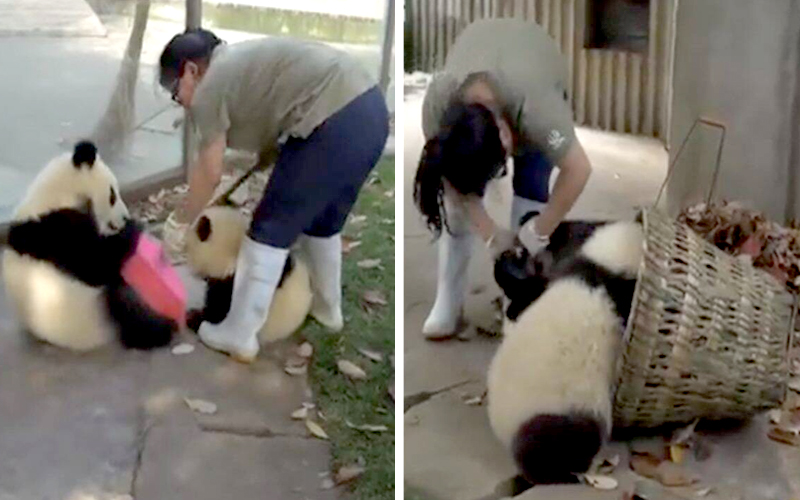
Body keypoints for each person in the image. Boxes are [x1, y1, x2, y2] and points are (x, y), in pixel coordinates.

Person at [158, 28, 389, 362]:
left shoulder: (211, 87)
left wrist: (180, 222)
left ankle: (238, 333)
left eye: (174, 90)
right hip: (370, 111)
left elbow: (209, 172)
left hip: (333, 117)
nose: (179, 101)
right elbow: (272, 129)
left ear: (191, 70)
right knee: (321, 224)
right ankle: (327, 310)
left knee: (269, 228)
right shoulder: (241, 63)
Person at [413, 18, 593, 339]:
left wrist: (537, 232)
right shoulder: (440, 105)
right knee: (456, 203)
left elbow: (578, 169)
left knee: (531, 193)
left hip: (535, 69)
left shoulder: (539, 109)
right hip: (489, 56)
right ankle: (448, 302)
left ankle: (520, 298)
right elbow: (452, 181)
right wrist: (490, 234)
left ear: (504, 130)